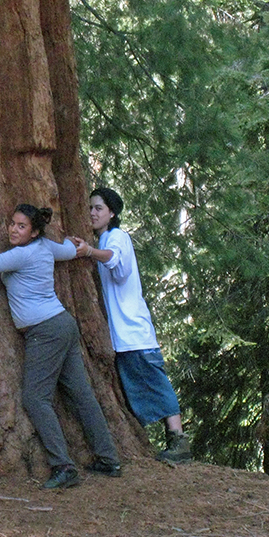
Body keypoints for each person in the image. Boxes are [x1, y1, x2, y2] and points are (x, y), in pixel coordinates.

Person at [0, 204, 121, 490]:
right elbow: (69, 250)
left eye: (21, 226)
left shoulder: (22, 254)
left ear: (34, 231)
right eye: (12, 223)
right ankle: (108, 458)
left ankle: (64, 466)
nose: (13, 230)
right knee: (81, 394)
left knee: (35, 398)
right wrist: (77, 245)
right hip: (62, 324)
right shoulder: (46, 247)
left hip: (46, 330)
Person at [72, 188, 190, 463]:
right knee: (136, 389)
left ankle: (179, 441)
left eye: (99, 208)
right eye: (90, 207)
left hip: (135, 333)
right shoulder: (105, 239)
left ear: (112, 213)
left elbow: (117, 262)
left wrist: (90, 251)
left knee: (156, 384)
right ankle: (172, 441)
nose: (92, 212)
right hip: (123, 336)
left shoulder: (118, 237)